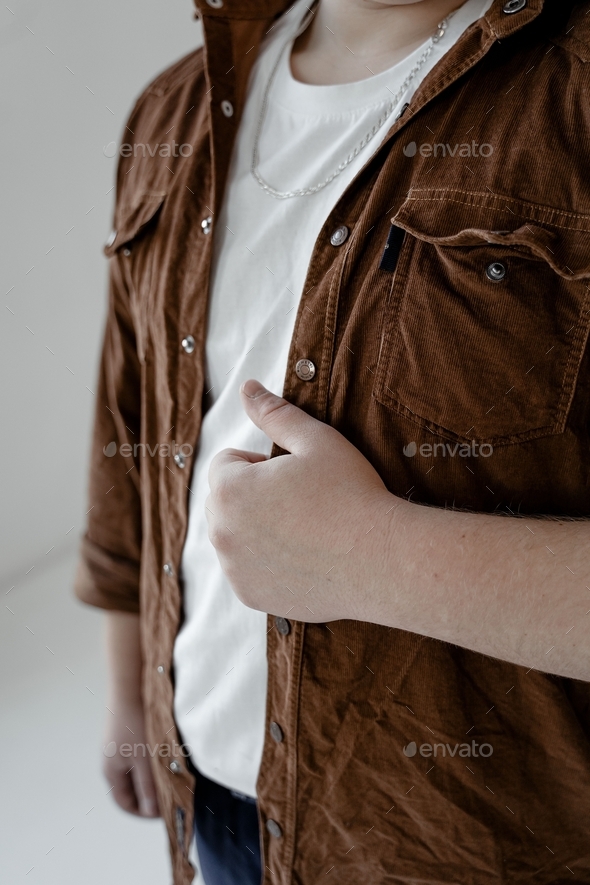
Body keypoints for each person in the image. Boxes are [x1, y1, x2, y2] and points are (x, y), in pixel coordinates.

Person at [75, 0, 590, 881]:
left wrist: (376, 558)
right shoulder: (173, 109)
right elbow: (131, 431)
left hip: (466, 850)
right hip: (220, 804)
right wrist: (131, 693)